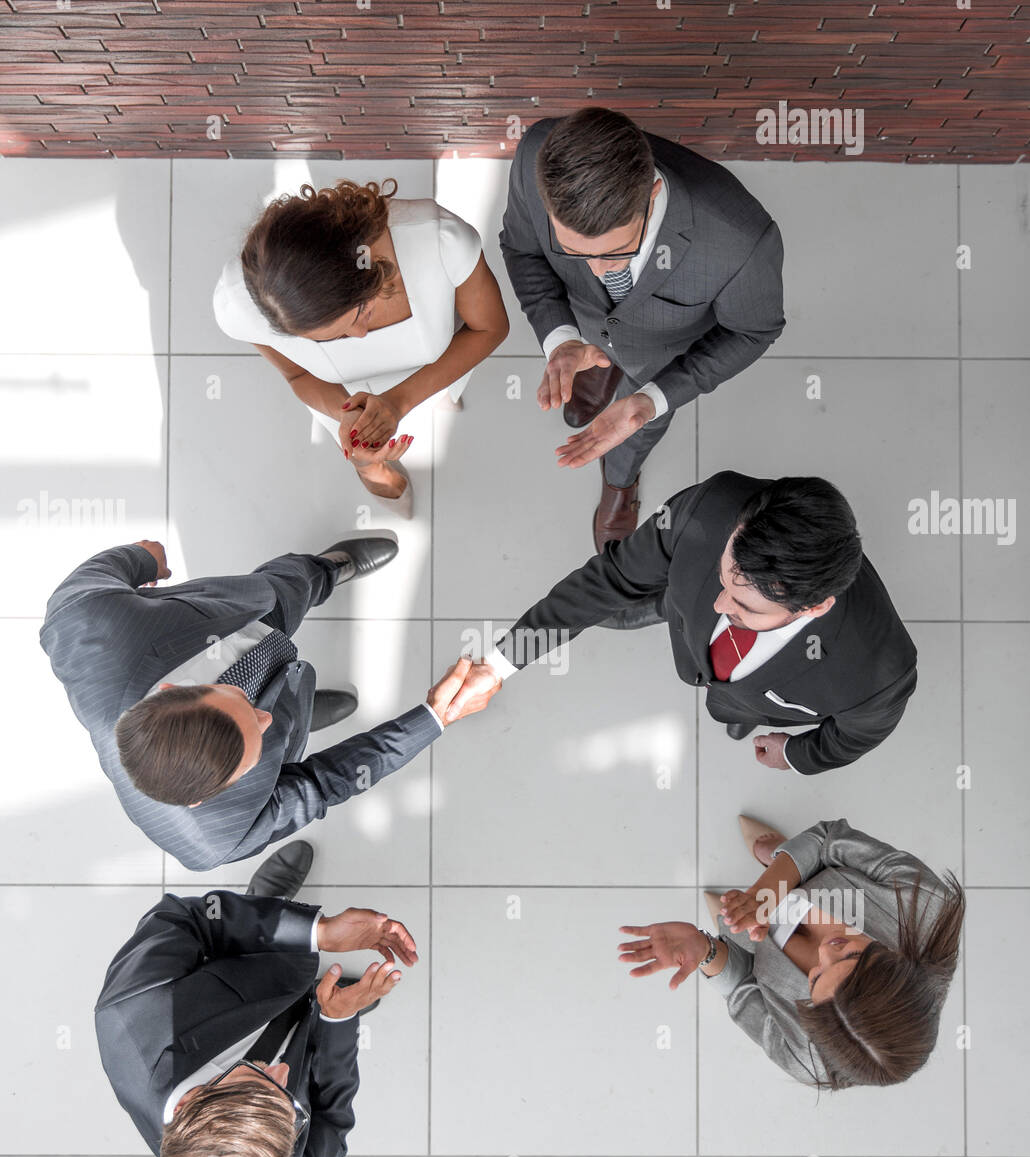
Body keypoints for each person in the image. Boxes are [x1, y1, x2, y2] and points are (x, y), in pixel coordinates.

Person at [39, 536, 476, 871]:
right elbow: (322, 784)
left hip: (236, 619)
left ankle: (328, 569)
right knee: (285, 728)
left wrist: (143, 557)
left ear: (172, 693)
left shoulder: (86, 624)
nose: (264, 716)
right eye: (249, 757)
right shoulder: (216, 839)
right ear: (200, 800)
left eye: (243, 708)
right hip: (272, 712)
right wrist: (436, 716)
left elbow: (83, 585)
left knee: (288, 584)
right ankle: (300, 711)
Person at [439, 472, 918, 775]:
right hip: (688, 636)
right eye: (722, 577)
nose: (719, 605)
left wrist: (794, 754)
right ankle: (664, 609)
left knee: (732, 708)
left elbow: (851, 738)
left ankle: (735, 713)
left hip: (761, 705)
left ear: (813, 608)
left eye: (744, 608)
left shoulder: (878, 677)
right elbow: (612, 576)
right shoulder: (709, 508)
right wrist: (498, 666)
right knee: (664, 605)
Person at [500, 106, 784, 549]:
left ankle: (620, 481)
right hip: (589, 326)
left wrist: (650, 401)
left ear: (651, 196)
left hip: (660, 356)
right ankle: (597, 361)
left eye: (614, 253)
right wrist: (562, 337)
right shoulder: (536, 153)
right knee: (596, 346)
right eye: (573, 251)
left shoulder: (740, 240)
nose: (594, 270)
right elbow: (521, 249)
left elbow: (752, 332)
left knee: (635, 425)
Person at [95, 842, 411, 1157]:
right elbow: (332, 1122)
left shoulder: (130, 1015)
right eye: (292, 1106)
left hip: (242, 971)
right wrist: (336, 1019)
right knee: (329, 1008)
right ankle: (318, 1004)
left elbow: (185, 918)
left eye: (256, 1077)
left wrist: (317, 931)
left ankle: (266, 904)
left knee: (256, 928)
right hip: (320, 1020)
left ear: (192, 1100)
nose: (284, 1070)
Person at [214, 176, 509, 518]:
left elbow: (490, 328)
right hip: (338, 396)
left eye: (361, 314)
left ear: (368, 275)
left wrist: (398, 402)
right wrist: (351, 421)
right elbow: (297, 375)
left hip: (432, 372)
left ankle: (440, 398)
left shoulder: (440, 240)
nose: (359, 336)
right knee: (367, 457)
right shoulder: (242, 305)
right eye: (331, 339)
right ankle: (370, 468)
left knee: (443, 396)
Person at [618, 816, 964, 1090]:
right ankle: (777, 862)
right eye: (853, 956)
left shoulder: (806, 1057)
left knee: (729, 929)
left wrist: (705, 950)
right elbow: (829, 839)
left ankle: (745, 904)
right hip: (809, 878)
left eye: (815, 978)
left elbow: (743, 991)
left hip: (755, 939)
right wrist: (765, 892)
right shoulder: (926, 907)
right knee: (792, 860)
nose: (825, 952)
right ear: (897, 963)